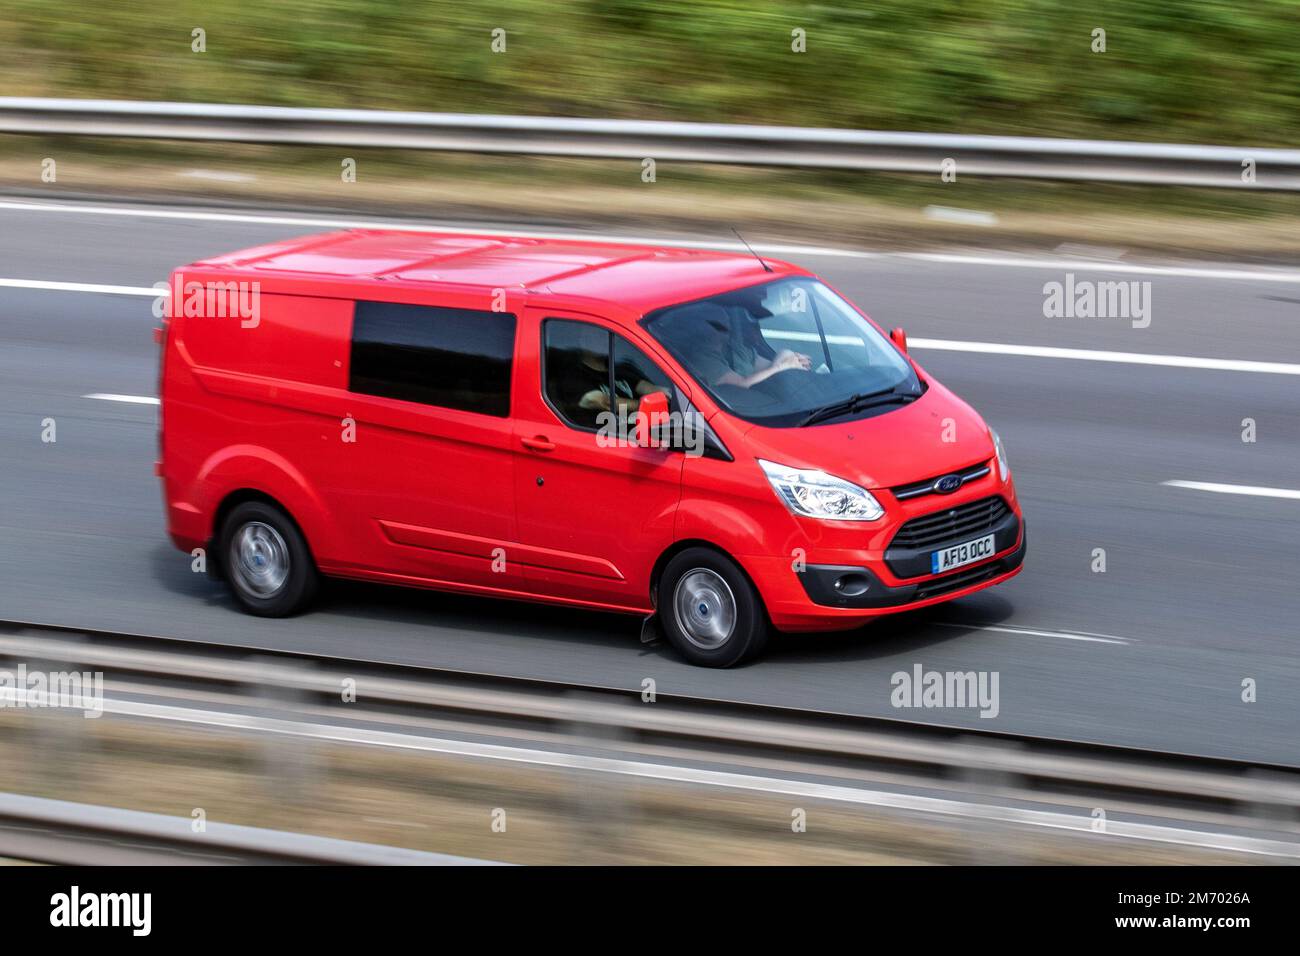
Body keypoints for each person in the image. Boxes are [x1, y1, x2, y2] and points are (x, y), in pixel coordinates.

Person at [684, 303, 810, 388]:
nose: (727, 328)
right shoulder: (703, 359)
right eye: (720, 325)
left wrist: (793, 359)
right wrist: (782, 367)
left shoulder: (736, 349)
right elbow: (741, 386)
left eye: (727, 323)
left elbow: (770, 364)